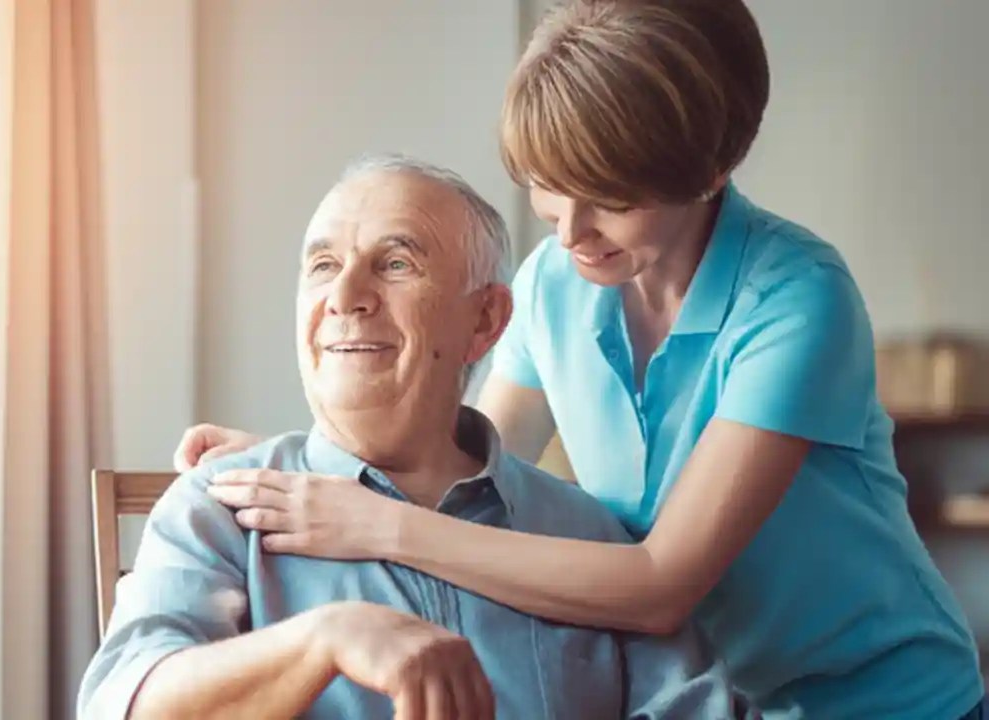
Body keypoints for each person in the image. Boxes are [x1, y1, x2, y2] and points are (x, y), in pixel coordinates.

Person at [175, 2, 986, 718]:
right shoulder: (555, 285)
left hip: (876, 700)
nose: (569, 230)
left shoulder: (796, 300)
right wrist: (315, 466)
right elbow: (462, 472)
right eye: (547, 185)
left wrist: (379, 523)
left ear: (711, 169)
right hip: (703, 693)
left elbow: (663, 584)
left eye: (609, 195)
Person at [79, 156, 753, 719]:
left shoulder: (582, 533)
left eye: (395, 263)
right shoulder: (218, 506)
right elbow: (120, 703)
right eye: (322, 266)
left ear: (486, 321)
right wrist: (326, 638)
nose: (345, 296)